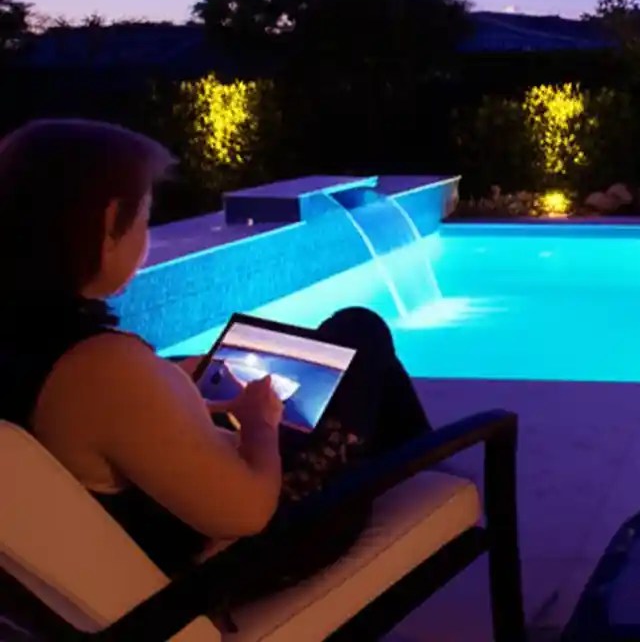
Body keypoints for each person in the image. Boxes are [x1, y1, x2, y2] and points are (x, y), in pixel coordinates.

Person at [0, 119, 431, 611]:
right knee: (366, 338)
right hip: (237, 554)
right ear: (107, 225)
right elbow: (247, 512)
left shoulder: (29, 339)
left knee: (351, 328)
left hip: (179, 502)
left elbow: (112, 420)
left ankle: (415, 461)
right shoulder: (101, 368)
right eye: (144, 217)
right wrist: (260, 421)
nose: (148, 233)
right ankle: (422, 470)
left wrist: (172, 376)